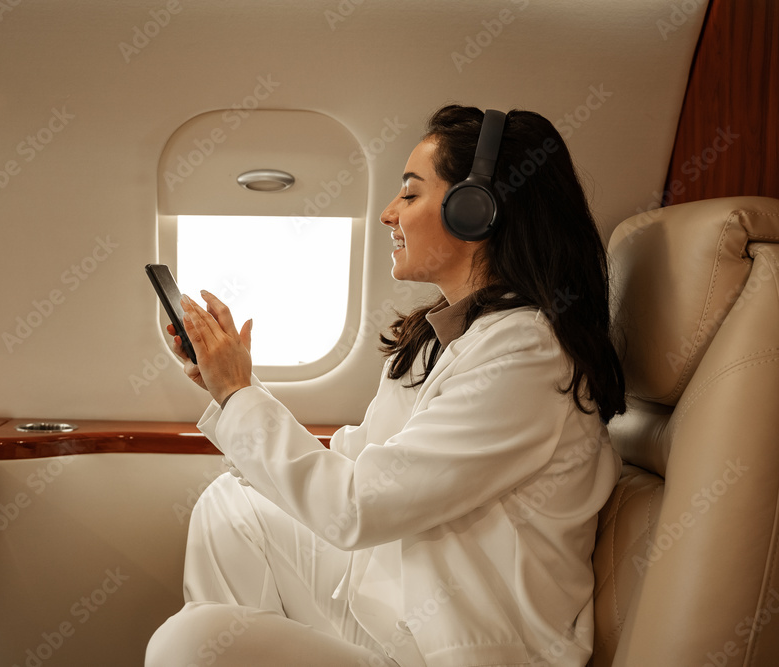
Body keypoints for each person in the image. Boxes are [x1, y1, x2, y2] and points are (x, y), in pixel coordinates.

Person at [145, 104, 626, 667]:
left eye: (410, 193)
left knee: (191, 644)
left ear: (476, 211)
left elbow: (354, 509)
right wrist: (236, 387)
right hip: (399, 615)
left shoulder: (527, 357)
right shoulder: (446, 336)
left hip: (464, 651)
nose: (387, 214)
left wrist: (239, 398)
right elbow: (358, 464)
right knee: (233, 509)